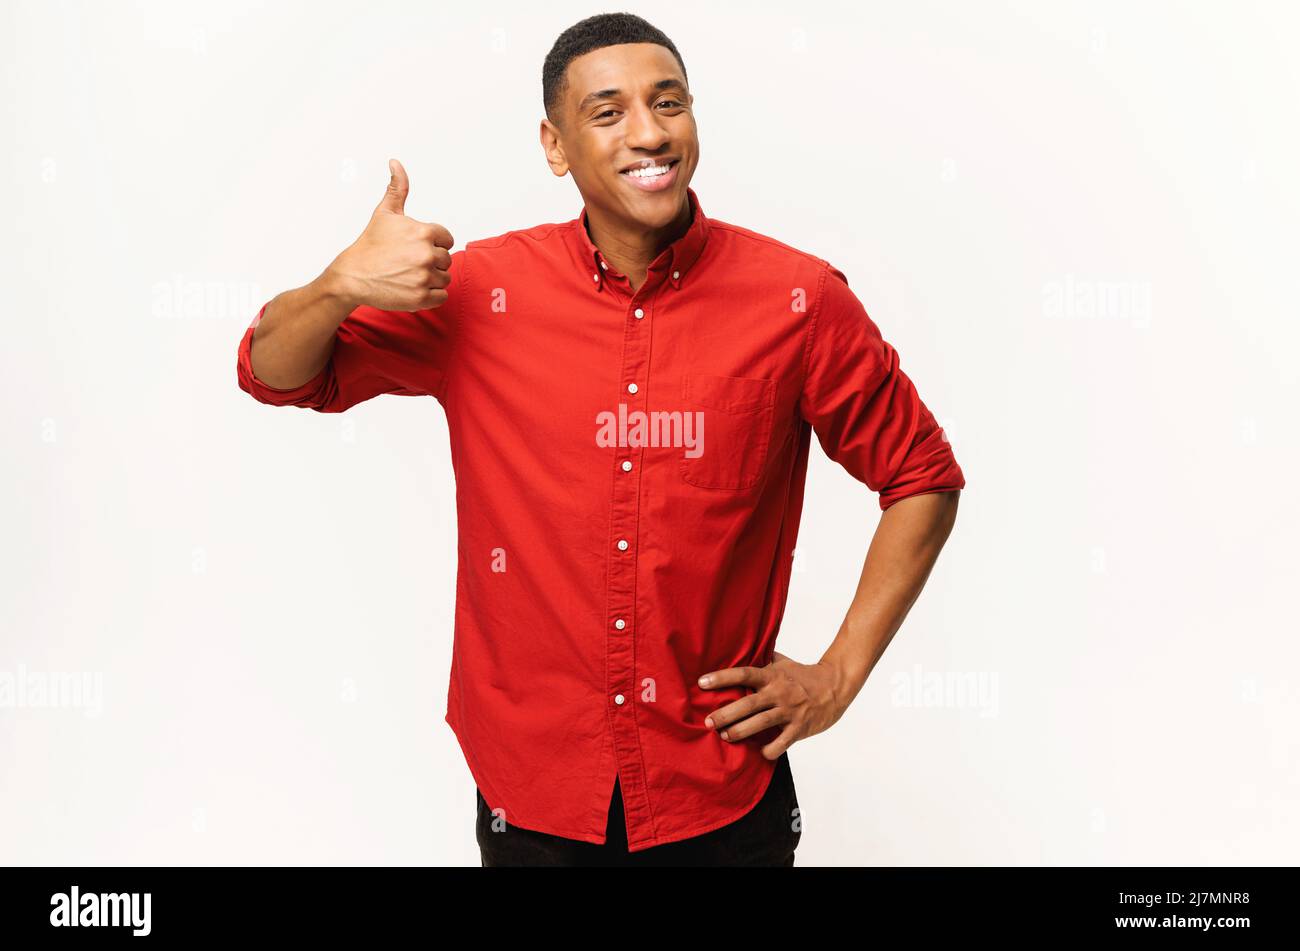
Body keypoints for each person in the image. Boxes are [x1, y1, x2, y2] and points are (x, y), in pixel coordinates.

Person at [236, 12, 964, 867]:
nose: (648, 133)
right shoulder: (478, 293)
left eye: (669, 103)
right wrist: (337, 286)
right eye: (608, 112)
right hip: (533, 787)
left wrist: (837, 675)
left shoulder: (797, 301)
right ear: (556, 146)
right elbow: (274, 373)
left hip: (719, 789)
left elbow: (922, 475)